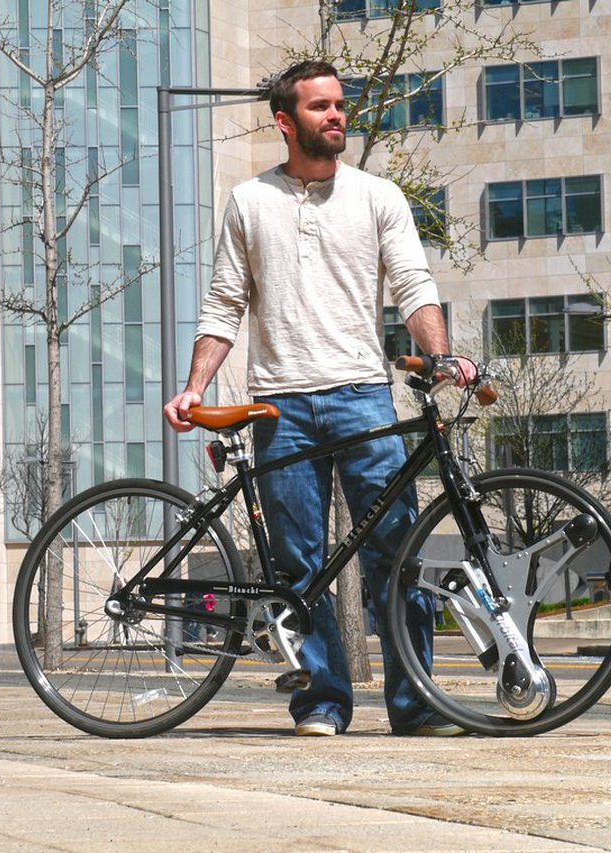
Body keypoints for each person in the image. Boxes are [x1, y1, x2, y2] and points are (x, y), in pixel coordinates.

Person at [164, 59, 473, 738]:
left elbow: (414, 286)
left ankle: (415, 704)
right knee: (300, 564)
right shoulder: (249, 202)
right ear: (285, 121)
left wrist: (442, 353)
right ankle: (323, 701)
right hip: (279, 403)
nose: (337, 115)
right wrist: (194, 388)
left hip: (364, 395)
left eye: (341, 105)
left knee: (398, 551)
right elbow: (224, 305)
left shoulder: (378, 196)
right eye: (320, 107)